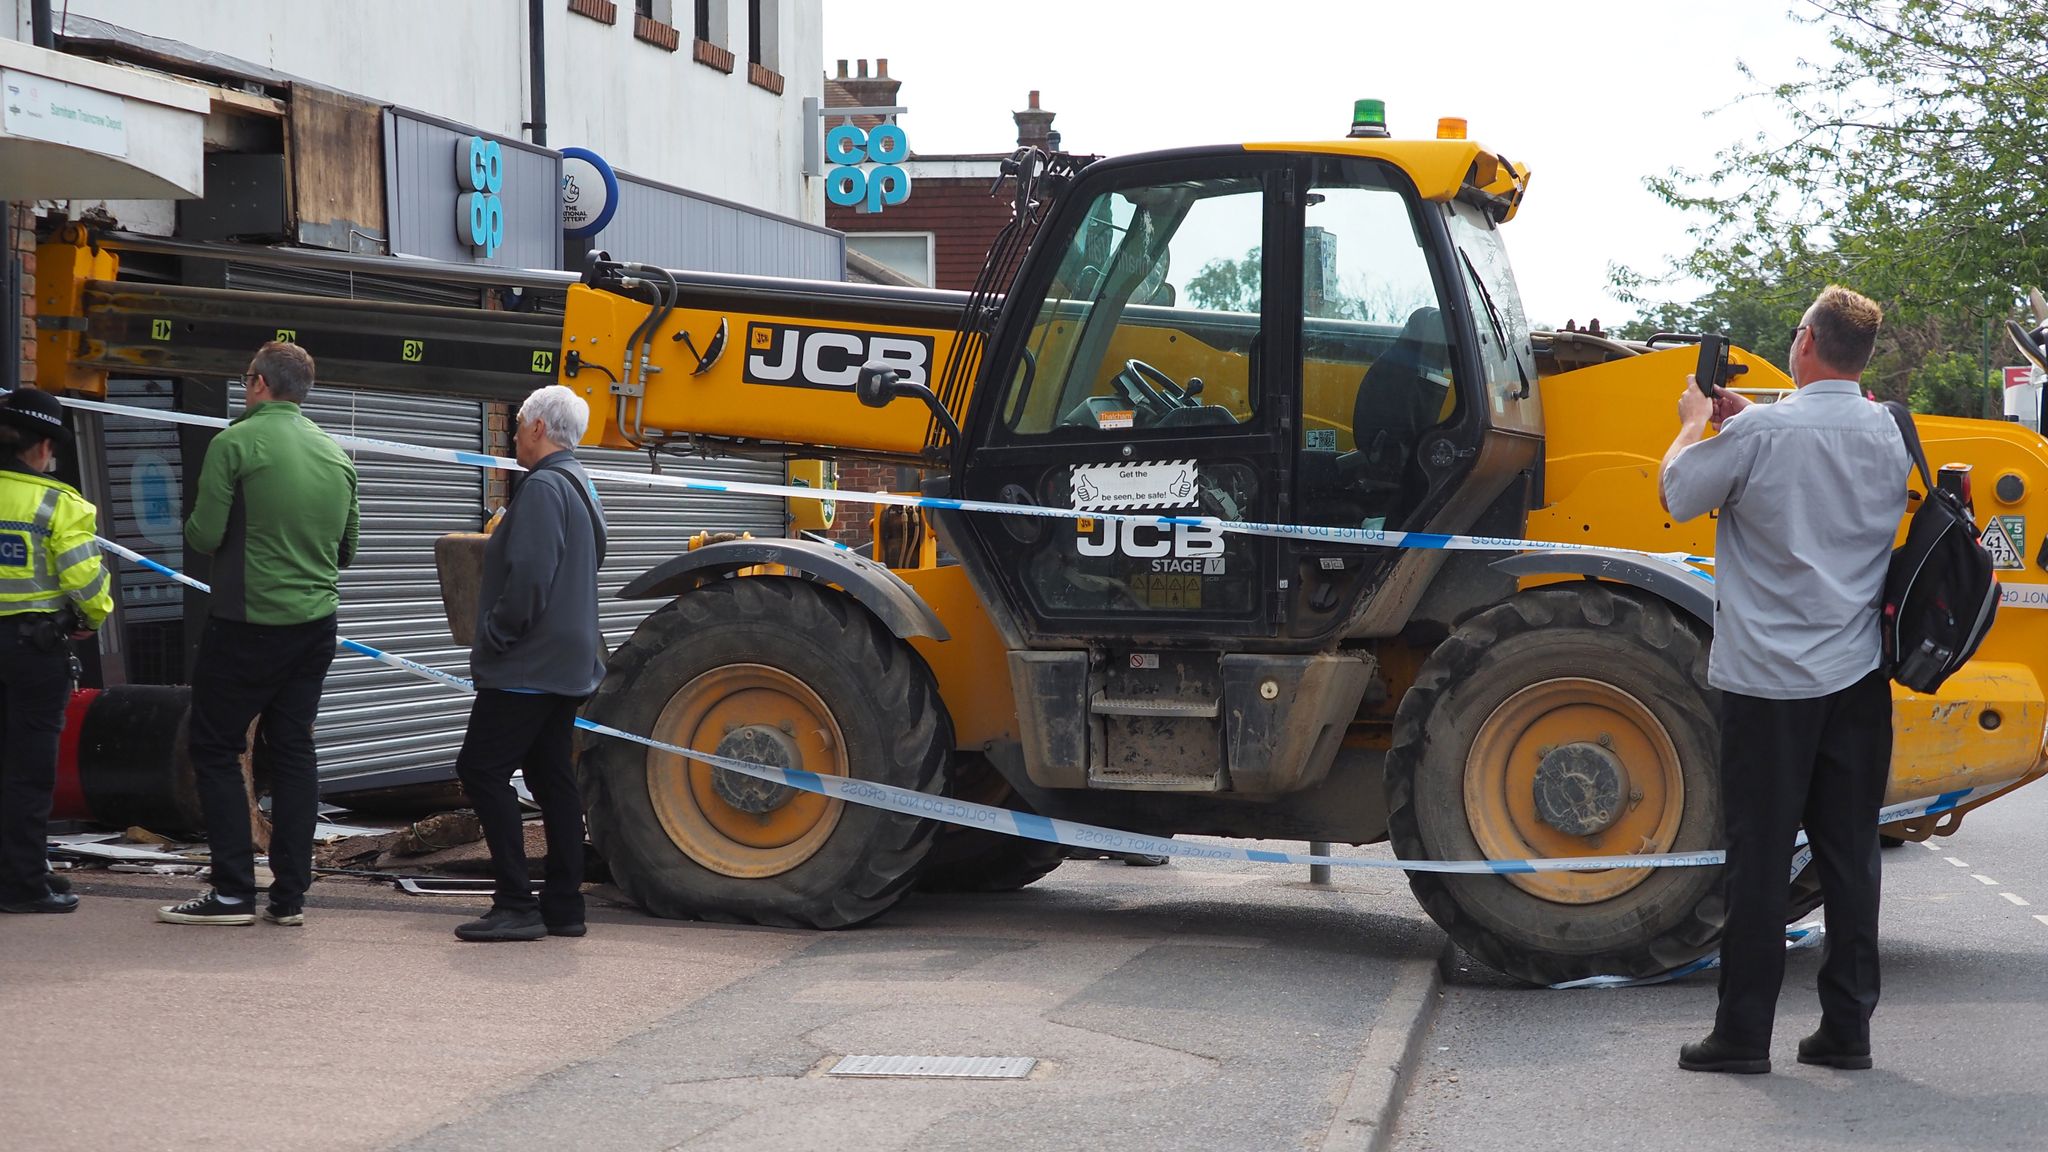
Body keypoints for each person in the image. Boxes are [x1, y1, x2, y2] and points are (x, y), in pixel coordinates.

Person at [1660, 286, 1910, 1074]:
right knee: (1850, 857)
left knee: (1761, 859)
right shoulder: (1889, 428)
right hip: (1858, 675)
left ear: (1804, 341)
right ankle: (1847, 1031)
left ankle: (1742, 1036)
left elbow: (1677, 494)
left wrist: (1697, 425)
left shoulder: (1762, 429)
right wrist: (1751, 418)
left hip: (1769, 681)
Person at [159, 342, 359, 927]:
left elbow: (202, 535)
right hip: (316, 626)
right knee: (294, 748)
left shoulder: (235, 444)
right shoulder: (335, 454)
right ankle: (290, 898)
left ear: (257, 384)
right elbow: (347, 551)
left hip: (247, 625)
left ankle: (230, 894)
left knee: (216, 746)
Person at [452, 385, 606, 943]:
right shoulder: (581, 482)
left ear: (539, 428)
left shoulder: (541, 488)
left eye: (518, 425)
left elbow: (531, 577)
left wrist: (495, 634)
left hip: (529, 662)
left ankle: (516, 902)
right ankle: (564, 906)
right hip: (569, 661)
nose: (514, 434)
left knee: (481, 768)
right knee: (549, 775)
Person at [0, 387, 113, 915]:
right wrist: (89, 618)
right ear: (43, 446)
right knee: (27, 770)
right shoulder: (57, 503)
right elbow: (86, 583)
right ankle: (22, 883)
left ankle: (22, 871)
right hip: (32, 652)